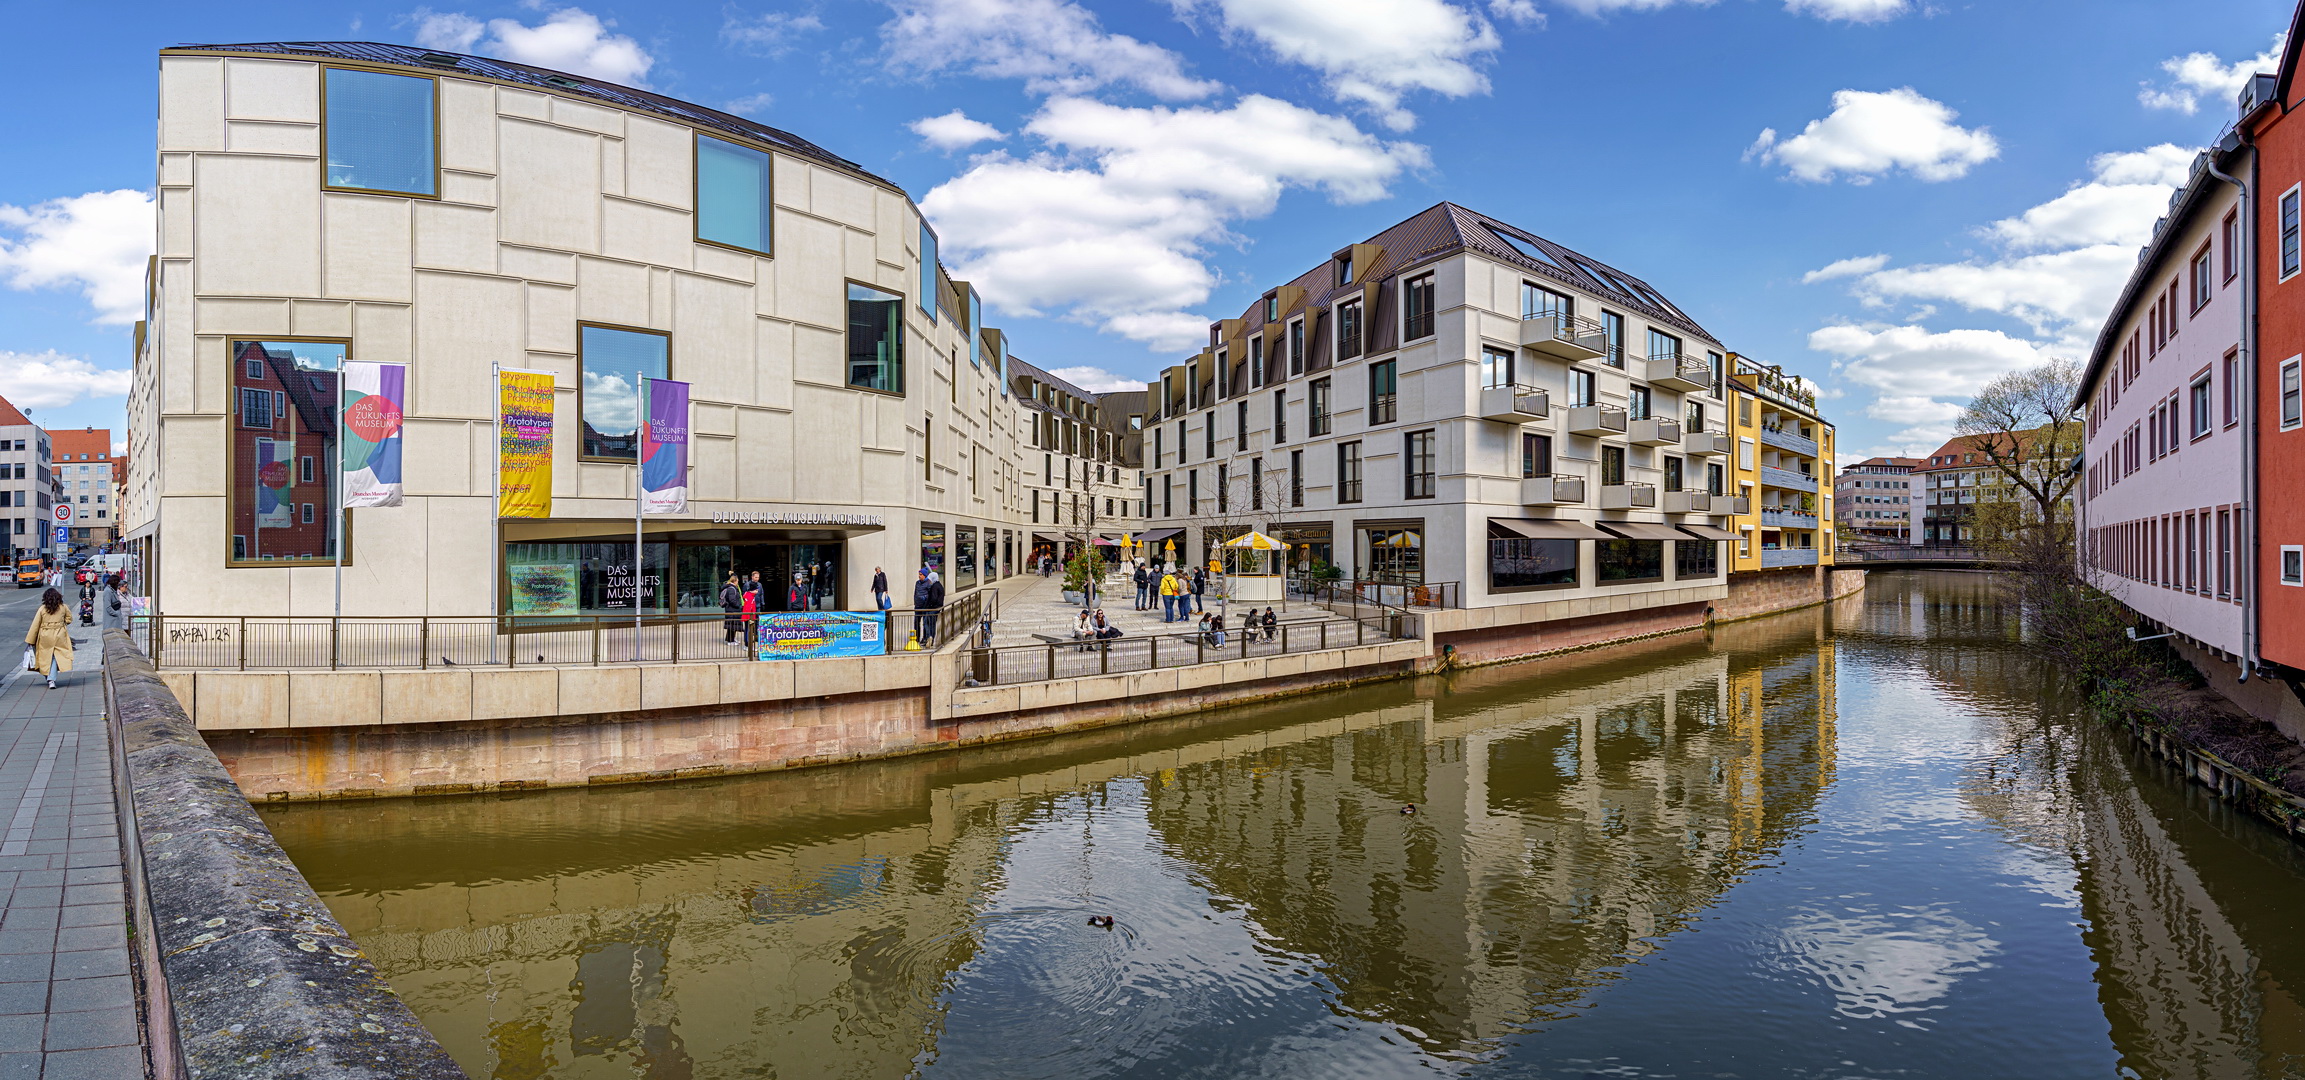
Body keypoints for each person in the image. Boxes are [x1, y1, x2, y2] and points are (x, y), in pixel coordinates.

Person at [24, 588, 72, 690]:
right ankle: (51, 678)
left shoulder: (42, 609)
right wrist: (62, 624)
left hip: (45, 635)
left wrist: (30, 640)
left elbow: (35, 625)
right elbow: (69, 619)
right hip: (59, 634)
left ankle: (50, 679)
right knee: (55, 656)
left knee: (45, 657)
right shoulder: (63, 607)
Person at [913, 567, 944, 644]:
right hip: (918, 606)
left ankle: (926, 638)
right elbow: (916, 593)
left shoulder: (930, 584)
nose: (919, 576)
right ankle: (916, 638)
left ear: (924, 575)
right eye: (919, 574)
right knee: (917, 622)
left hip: (925, 607)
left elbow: (932, 597)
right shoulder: (917, 583)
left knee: (926, 623)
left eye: (921, 574)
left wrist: (928, 604)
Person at [720, 575, 744, 643]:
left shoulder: (731, 588)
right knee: (732, 626)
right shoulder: (732, 589)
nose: (738, 582)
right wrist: (738, 605)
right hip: (733, 610)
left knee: (732, 626)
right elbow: (732, 600)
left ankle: (731, 639)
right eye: (737, 581)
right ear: (735, 581)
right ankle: (730, 641)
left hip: (731, 609)